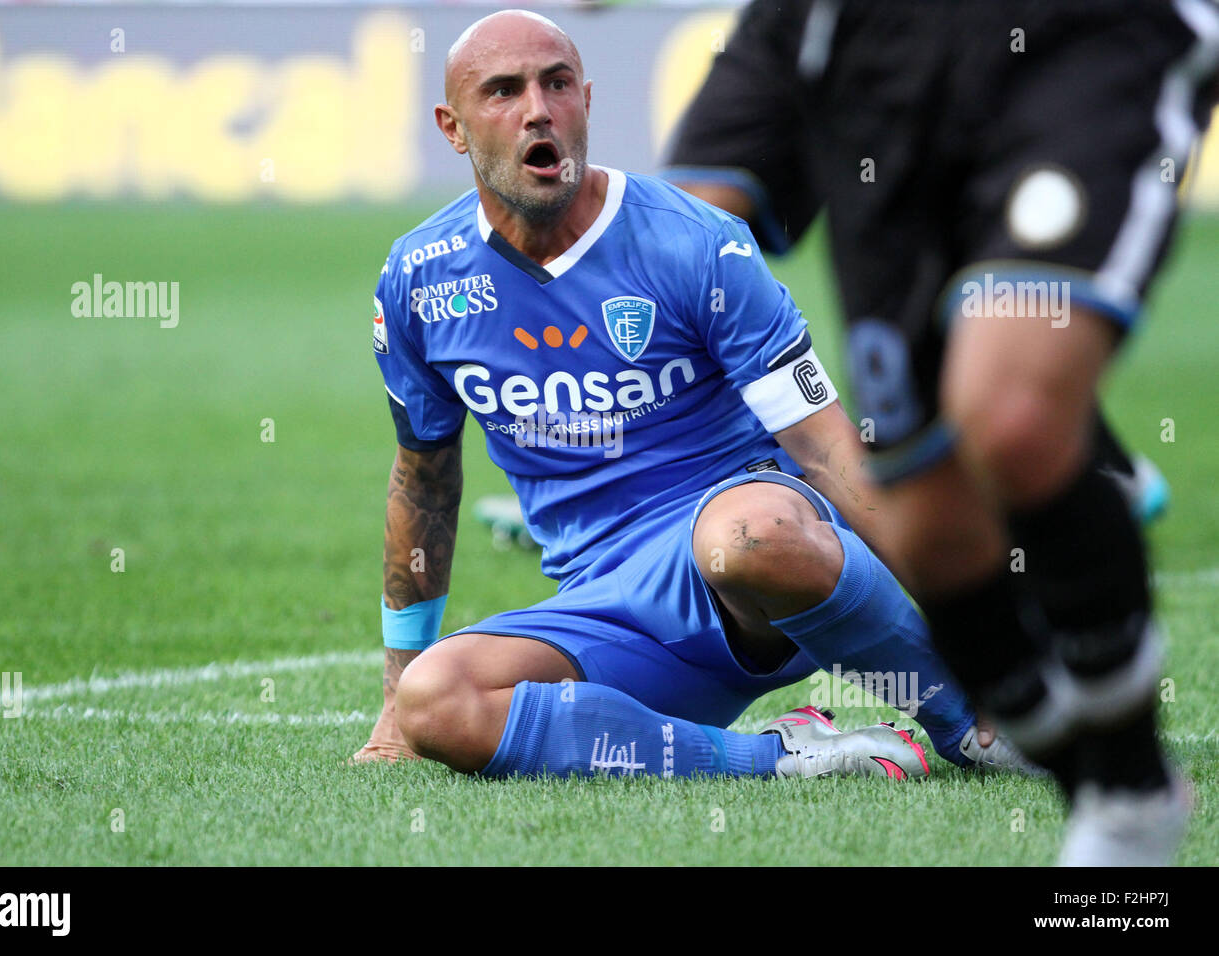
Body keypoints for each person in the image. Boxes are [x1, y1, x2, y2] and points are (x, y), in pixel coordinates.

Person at [354, 9, 1036, 784]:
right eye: (503, 92)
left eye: (558, 84)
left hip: (765, 565)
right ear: (453, 127)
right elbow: (425, 478)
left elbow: (829, 449)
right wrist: (391, 698)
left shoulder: (696, 242)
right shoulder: (420, 280)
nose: (538, 109)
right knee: (437, 700)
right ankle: (782, 760)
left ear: (586, 99)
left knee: (748, 531)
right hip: (611, 611)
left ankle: (975, 720)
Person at [664, 0, 1218, 863]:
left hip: (1072, 32)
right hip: (843, 34)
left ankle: (1125, 790)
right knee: (932, 529)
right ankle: (1102, 778)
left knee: (1014, 421)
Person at [660, 0, 1172, 529]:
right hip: (793, 19)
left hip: (931, 27)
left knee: (950, 255)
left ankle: (1062, 446)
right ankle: (690, 497)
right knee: (675, 240)